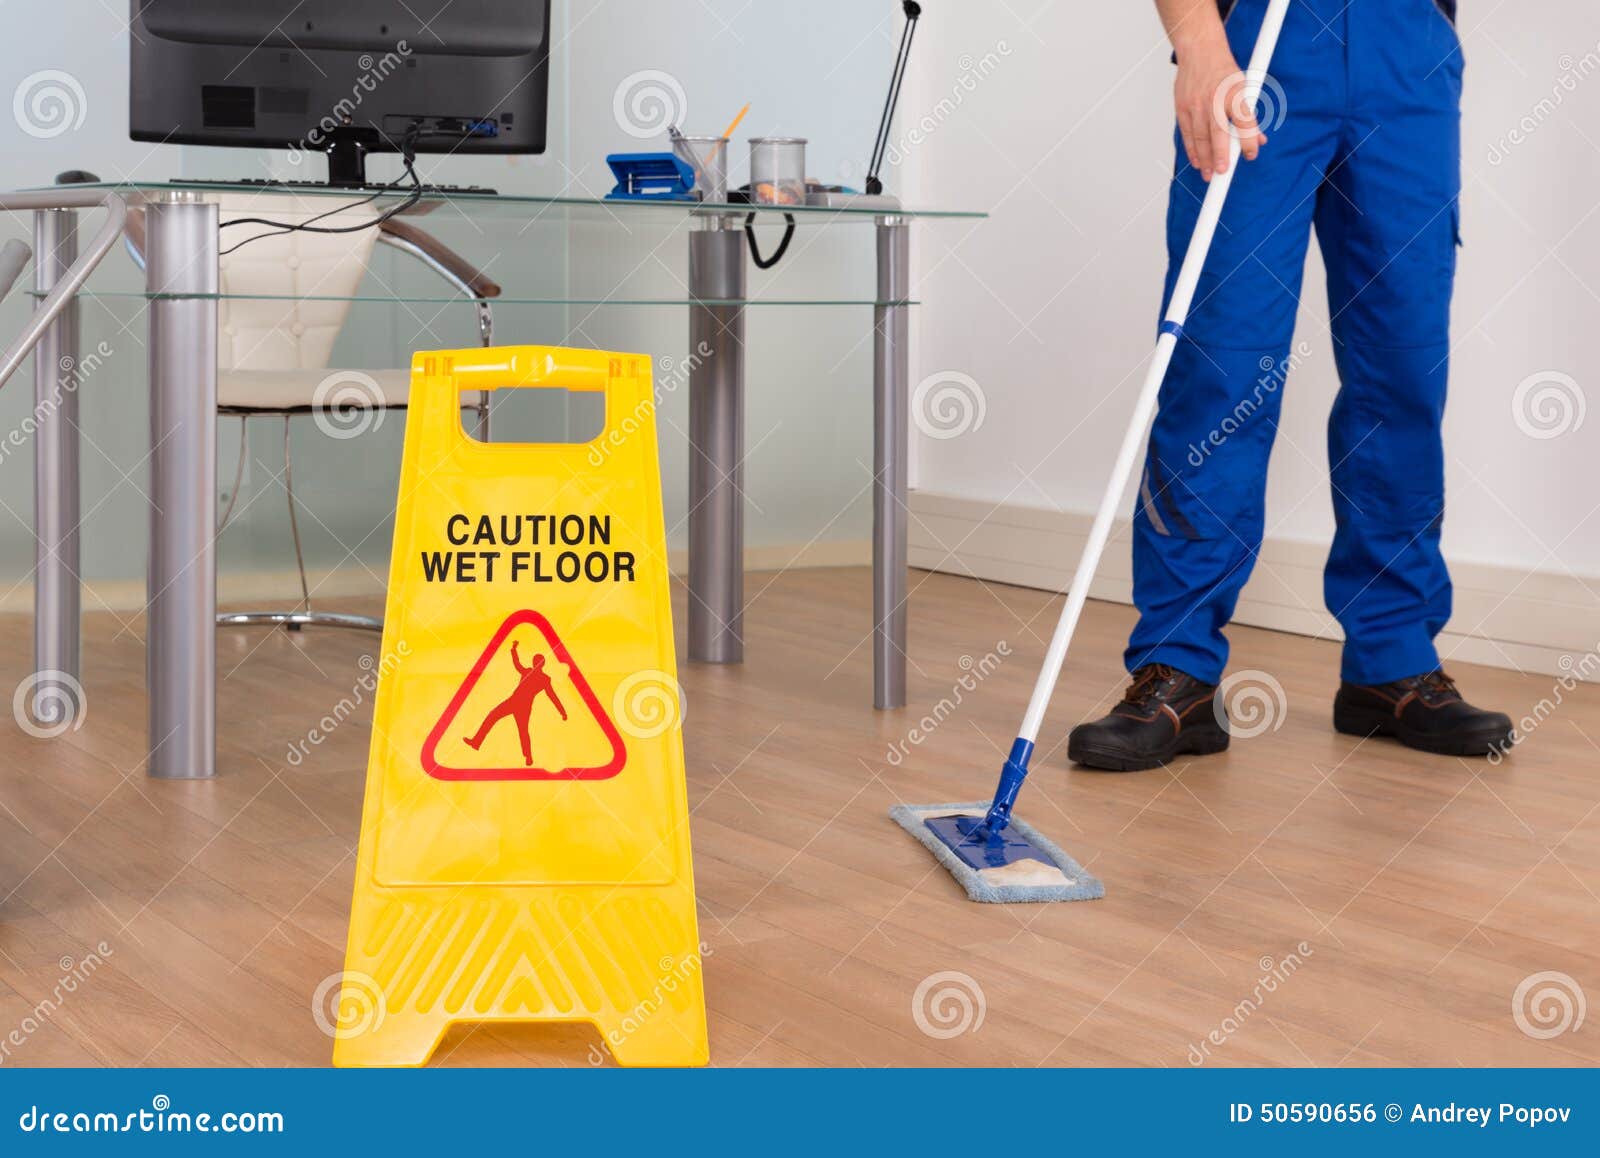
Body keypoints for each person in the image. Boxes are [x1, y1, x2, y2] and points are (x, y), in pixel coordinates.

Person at [1067, 0, 1513, 772]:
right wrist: (1199, 39)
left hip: (1408, 50)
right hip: (1258, 44)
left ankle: (1391, 660)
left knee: (1402, 371)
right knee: (1221, 365)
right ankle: (1178, 669)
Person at [464, 641, 567, 766]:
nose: (535, 663)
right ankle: (476, 742)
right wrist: (513, 650)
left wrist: (562, 712)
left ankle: (528, 756)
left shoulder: (544, 679)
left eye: (537, 661)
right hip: (513, 701)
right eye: (535, 661)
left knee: (522, 731)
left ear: (541, 664)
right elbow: (517, 665)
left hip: (523, 706)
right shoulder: (530, 672)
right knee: (493, 716)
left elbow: (552, 696)